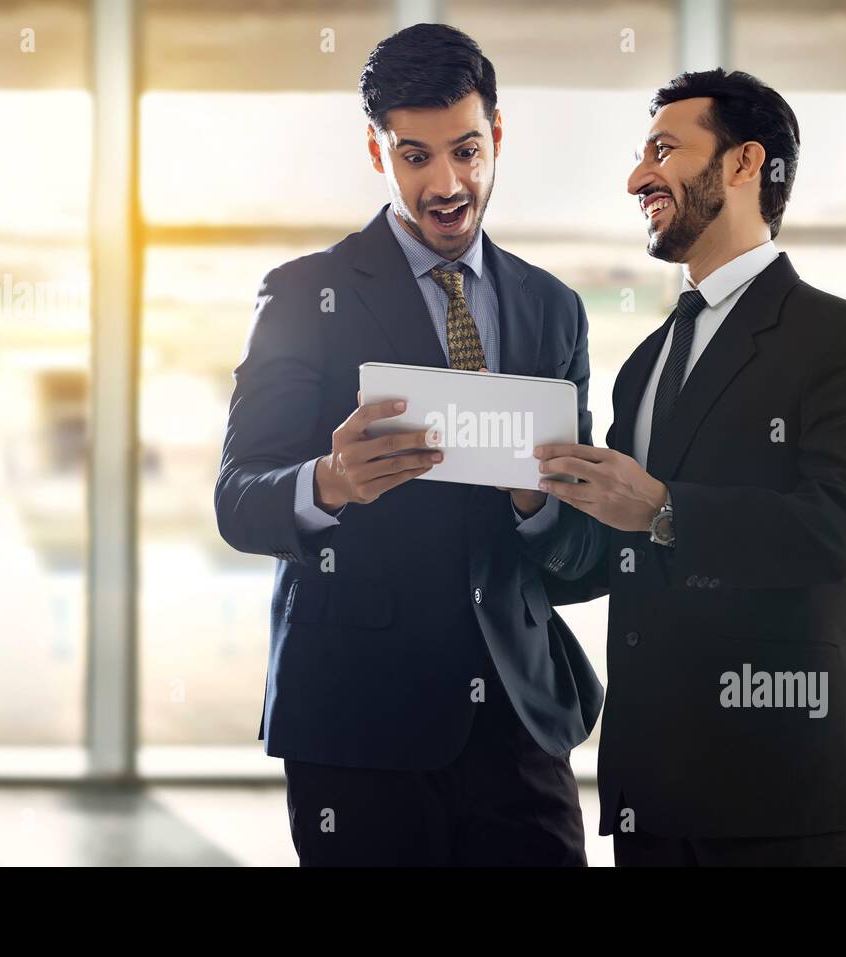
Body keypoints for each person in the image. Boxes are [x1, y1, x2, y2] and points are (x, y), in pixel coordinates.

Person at [214, 23, 601, 866]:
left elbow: (580, 547)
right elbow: (237, 499)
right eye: (415, 156)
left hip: (518, 722)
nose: (447, 184)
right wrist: (328, 481)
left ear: (497, 135)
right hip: (360, 724)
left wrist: (538, 504)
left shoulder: (552, 309)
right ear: (376, 150)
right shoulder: (303, 294)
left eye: (466, 150)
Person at [521, 68, 846, 866]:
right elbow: (615, 553)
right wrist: (537, 510)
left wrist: (666, 509)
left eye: (663, 150)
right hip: (650, 790)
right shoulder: (645, 363)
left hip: (780, 782)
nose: (637, 178)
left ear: (744, 163)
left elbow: (843, 529)